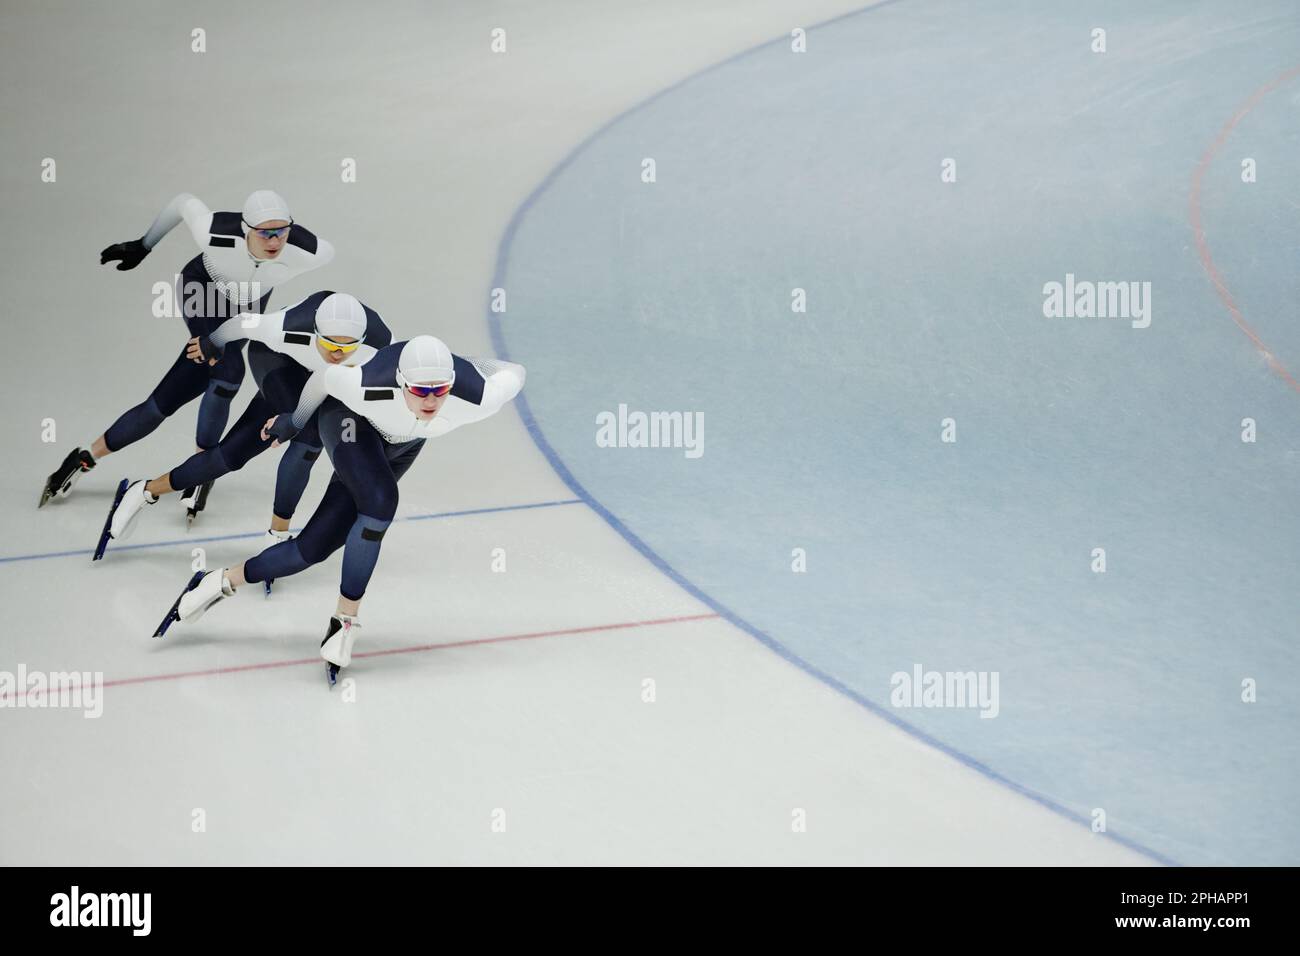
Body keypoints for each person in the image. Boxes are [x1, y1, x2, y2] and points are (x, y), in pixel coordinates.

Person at [155, 336, 526, 686]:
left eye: (440, 390)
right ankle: (344, 623)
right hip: (348, 422)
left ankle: (217, 581)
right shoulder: (367, 384)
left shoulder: (479, 395)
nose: (431, 400)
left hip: (403, 445)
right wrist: (294, 421)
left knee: (313, 549)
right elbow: (324, 379)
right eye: (420, 391)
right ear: (400, 382)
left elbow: (515, 371)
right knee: (381, 502)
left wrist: (473, 366)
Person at [40, 190, 334, 515]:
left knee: (164, 403)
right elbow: (182, 202)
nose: (275, 241)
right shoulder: (216, 232)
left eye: (282, 231)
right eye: (266, 233)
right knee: (228, 368)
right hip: (202, 289)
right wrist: (143, 244)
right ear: (246, 228)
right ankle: (201, 468)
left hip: (245, 309)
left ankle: (85, 457)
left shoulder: (309, 251)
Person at [94, 292, 391, 569]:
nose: (338, 354)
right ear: (315, 332)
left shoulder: (379, 344)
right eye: (329, 344)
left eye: (347, 347)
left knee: (233, 455)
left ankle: (275, 533)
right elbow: (243, 322)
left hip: (318, 381)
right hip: (276, 361)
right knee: (305, 436)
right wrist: (213, 341)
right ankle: (145, 493)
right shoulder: (285, 327)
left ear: (362, 340)